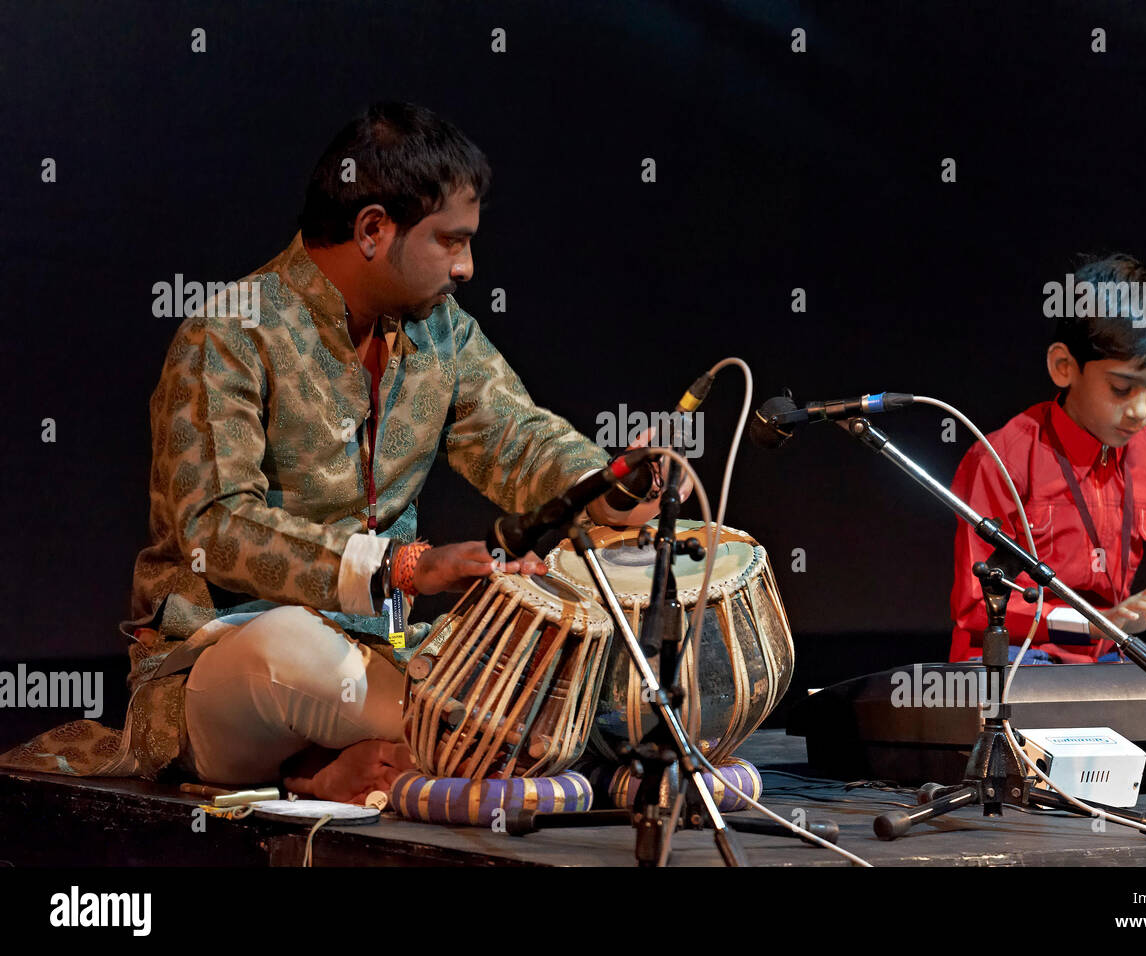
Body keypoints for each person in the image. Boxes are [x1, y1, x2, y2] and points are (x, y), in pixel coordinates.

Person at [0, 102, 661, 799]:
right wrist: (400, 568)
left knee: (541, 631)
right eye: (450, 241)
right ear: (374, 230)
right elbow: (215, 529)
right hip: (228, 665)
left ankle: (403, 750)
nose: (467, 267)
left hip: (385, 658)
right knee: (286, 645)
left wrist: (605, 483)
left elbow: (515, 437)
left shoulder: (441, 334)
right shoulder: (230, 333)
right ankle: (485, 743)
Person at [949, 253, 1146, 663]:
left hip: (1108, 660)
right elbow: (980, 607)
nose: (1140, 410)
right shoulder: (1000, 461)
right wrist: (1100, 621)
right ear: (1064, 366)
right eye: (1122, 388)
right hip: (1017, 660)